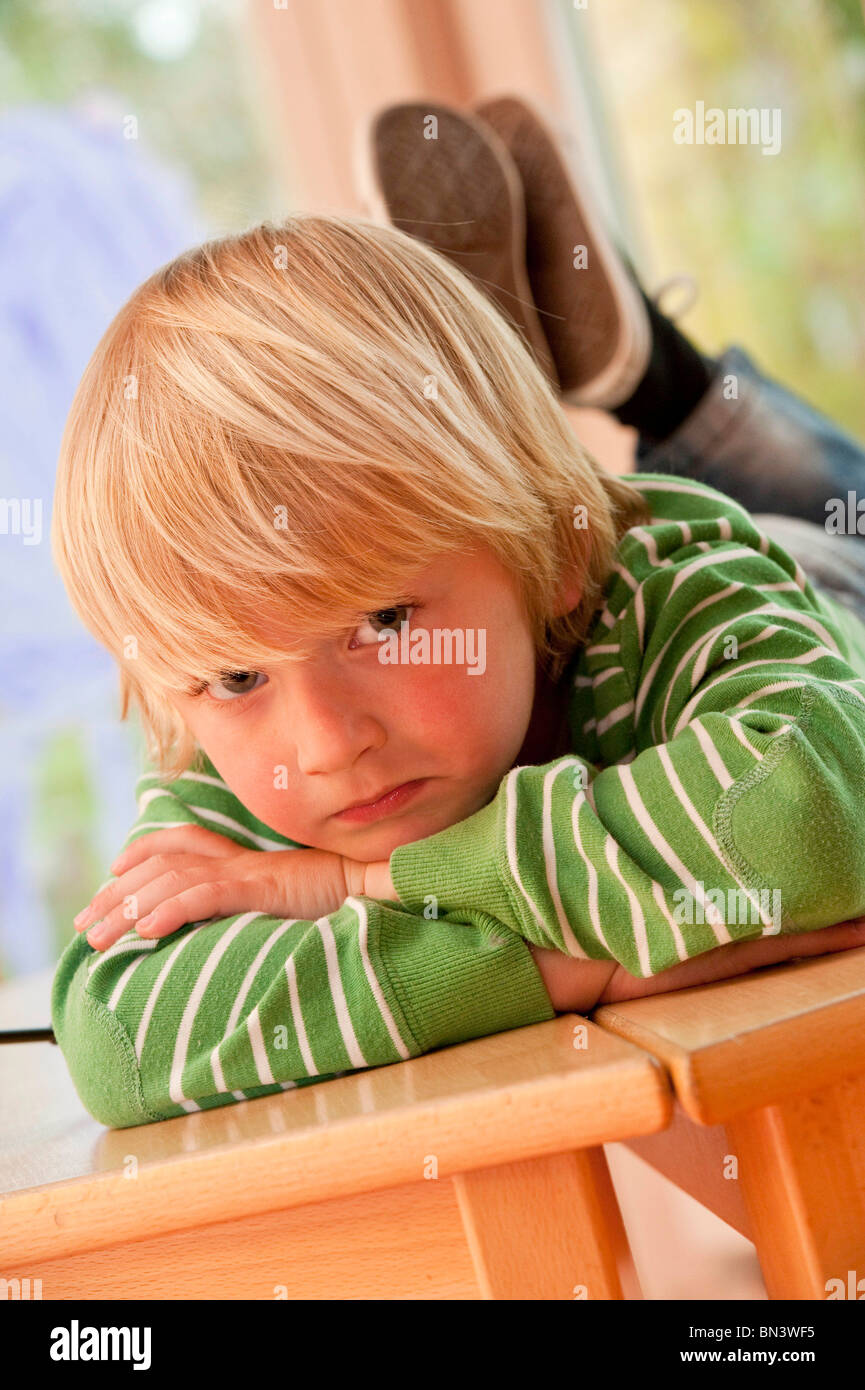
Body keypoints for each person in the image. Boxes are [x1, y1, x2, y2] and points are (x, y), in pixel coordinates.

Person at [49, 113, 865, 1126]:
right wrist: (564, 967)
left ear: (559, 560)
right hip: (525, 525)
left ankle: (659, 375)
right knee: (479, 479)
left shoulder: (670, 591)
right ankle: (507, 371)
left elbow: (815, 820)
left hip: (821, 586)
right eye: (235, 679)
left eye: (383, 619)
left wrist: (351, 884)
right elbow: (125, 1034)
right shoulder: (231, 764)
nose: (326, 744)